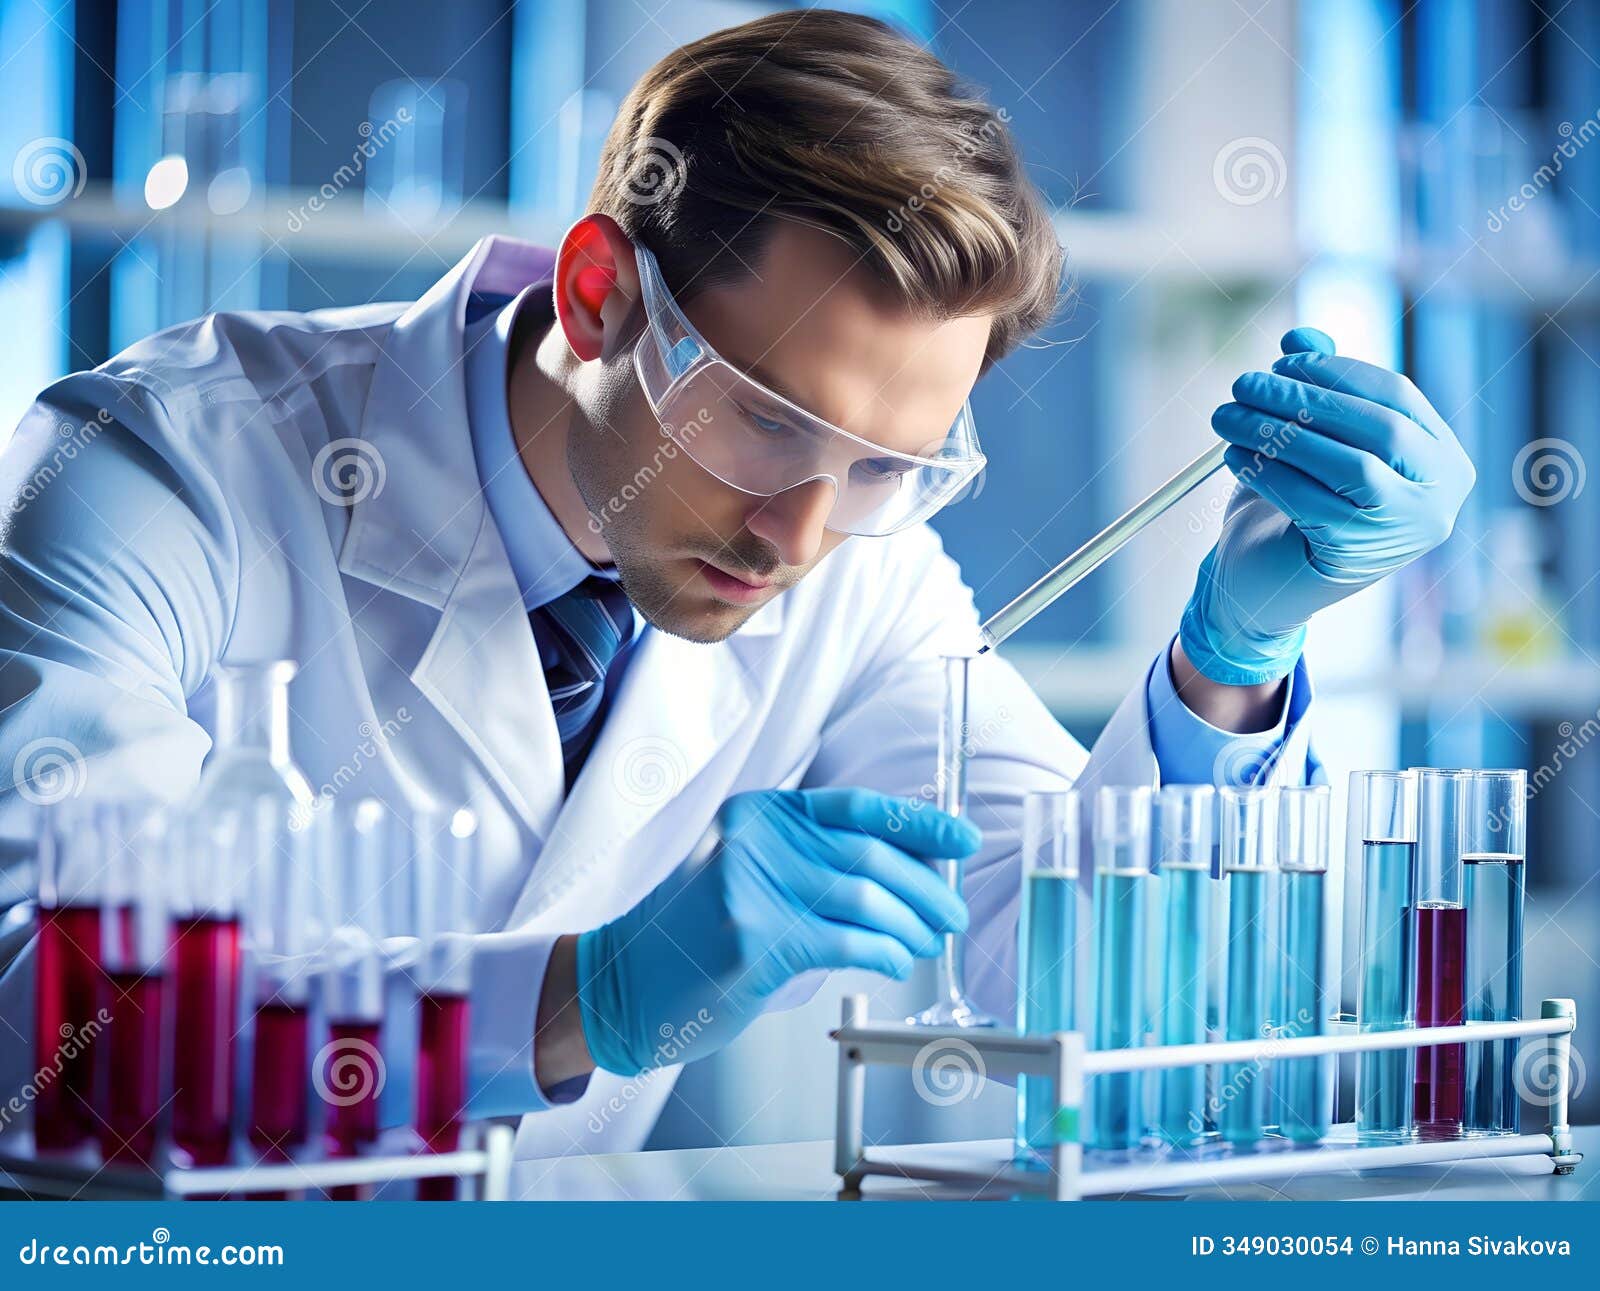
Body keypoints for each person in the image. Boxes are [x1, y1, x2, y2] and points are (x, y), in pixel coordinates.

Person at [0, 10, 1472, 1159]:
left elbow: (1070, 987)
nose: (802, 538)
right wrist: (587, 998)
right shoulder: (160, 469)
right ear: (596, 294)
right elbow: (42, 1040)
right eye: (768, 418)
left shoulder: (863, 566)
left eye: (893, 464)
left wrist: (1230, 657)